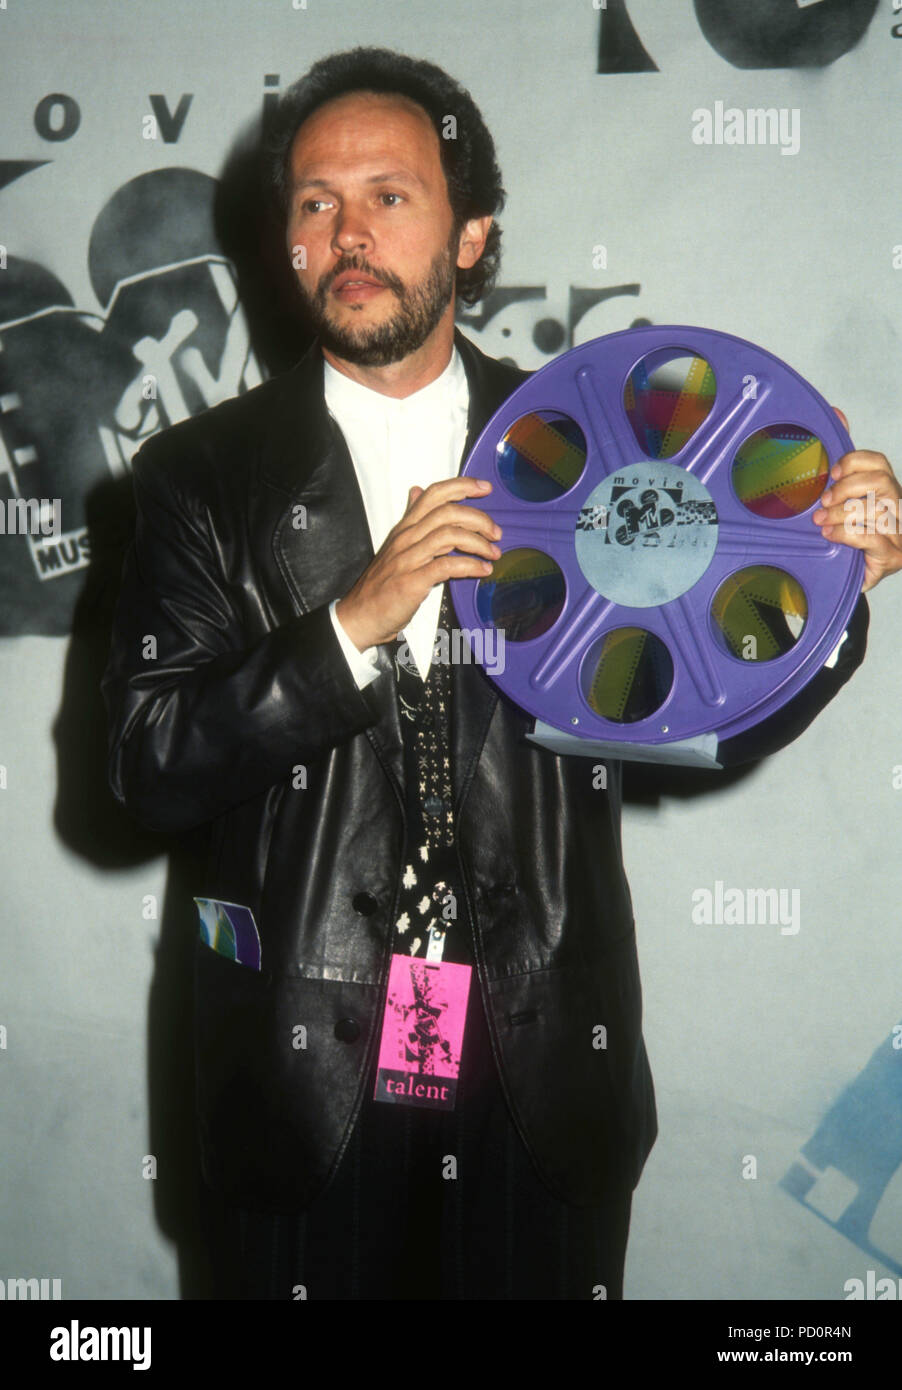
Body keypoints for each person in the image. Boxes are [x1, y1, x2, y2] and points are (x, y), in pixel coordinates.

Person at [101, 46, 901, 1301]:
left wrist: (830, 598)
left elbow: (697, 724)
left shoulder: (603, 445)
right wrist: (353, 621)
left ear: (471, 237)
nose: (347, 231)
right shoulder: (196, 480)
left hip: (538, 1074)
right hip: (307, 1083)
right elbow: (149, 770)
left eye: (389, 196)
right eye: (315, 203)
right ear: (287, 244)